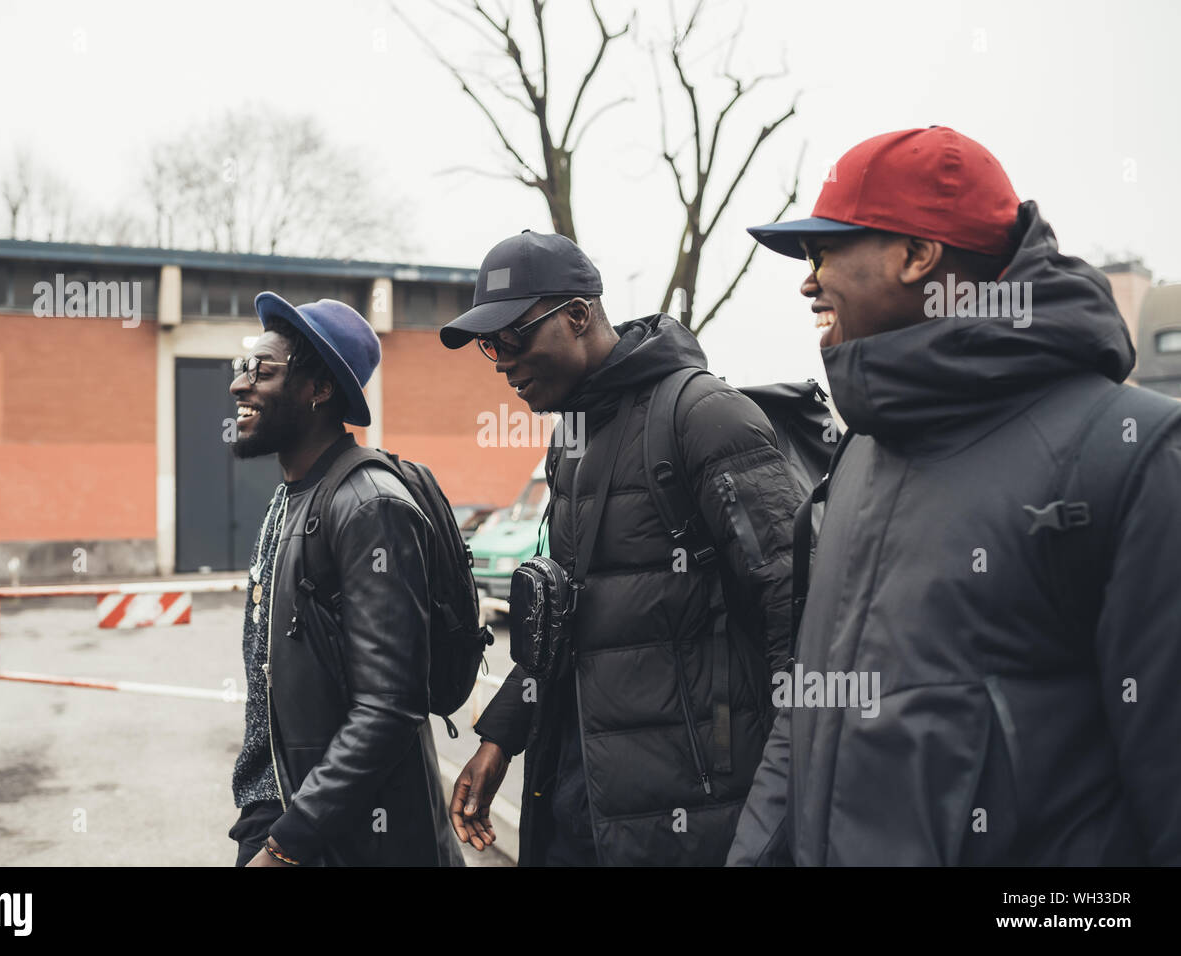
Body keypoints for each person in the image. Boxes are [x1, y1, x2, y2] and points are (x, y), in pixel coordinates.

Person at [727, 126, 1181, 866]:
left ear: (917, 256)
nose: (807, 280)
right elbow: (802, 722)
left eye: (823, 251)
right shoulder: (859, 456)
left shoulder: (1132, 453)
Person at [439, 230, 802, 865]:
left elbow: (795, 615)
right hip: (578, 804)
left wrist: (779, 805)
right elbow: (567, 617)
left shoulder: (703, 415)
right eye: (489, 347)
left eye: (512, 337)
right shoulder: (570, 441)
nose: (502, 362)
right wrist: (501, 737)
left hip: (690, 819)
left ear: (578, 314)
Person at [227, 292, 463, 867]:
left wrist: (287, 845)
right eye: (240, 367)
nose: (239, 385)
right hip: (280, 808)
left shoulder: (369, 507)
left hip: (349, 838)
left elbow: (389, 709)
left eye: (262, 369)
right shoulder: (289, 501)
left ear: (319, 389)